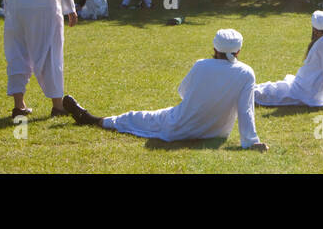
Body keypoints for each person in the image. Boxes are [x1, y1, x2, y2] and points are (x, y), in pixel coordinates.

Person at [63, 28, 268, 151]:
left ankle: (92, 119)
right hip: (216, 132)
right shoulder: (246, 72)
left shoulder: (202, 65)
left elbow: (183, 92)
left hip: (179, 126)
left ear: (215, 48)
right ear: (239, 50)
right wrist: (251, 141)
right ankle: (92, 119)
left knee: (136, 117)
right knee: (147, 119)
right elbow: (246, 111)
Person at [253, 11, 323, 110]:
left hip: (306, 91)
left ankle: (243, 93)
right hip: (305, 85)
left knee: (269, 92)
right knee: (271, 87)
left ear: (316, 30)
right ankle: (245, 90)